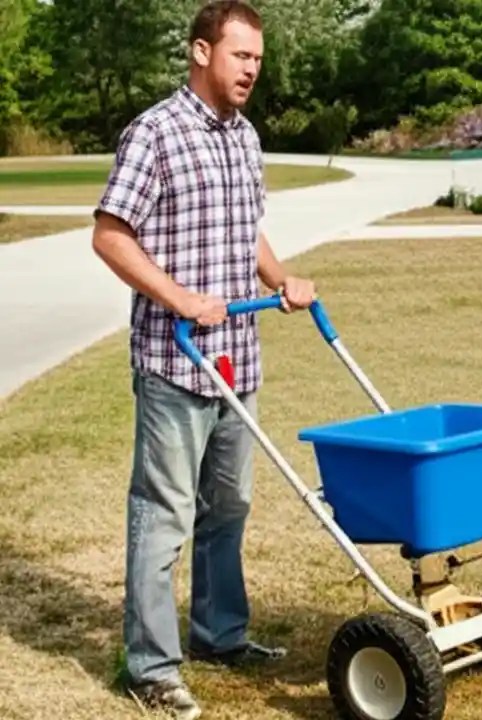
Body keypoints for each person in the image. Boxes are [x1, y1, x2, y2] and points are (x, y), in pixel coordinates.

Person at [91, 2, 314, 717]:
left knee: (230, 507)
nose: (252, 69)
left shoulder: (245, 138)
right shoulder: (155, 132)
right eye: (240, 55)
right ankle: (151, 668)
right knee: (163, 515)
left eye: (258, 58)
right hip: (174, 361)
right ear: (200, 52)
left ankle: (220, 633)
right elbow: (110, 235)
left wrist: (282, 282)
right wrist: (180, 298)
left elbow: (246, 231)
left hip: (236, 364)